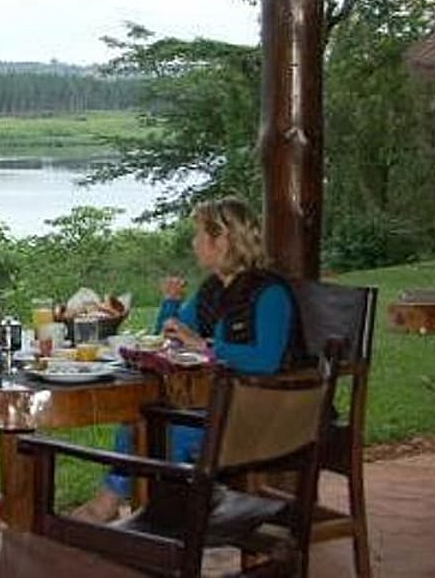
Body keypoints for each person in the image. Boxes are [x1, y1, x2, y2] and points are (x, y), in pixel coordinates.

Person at [72, 196, 305, 523]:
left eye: (199, 235)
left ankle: (159, 517)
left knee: (166, 431)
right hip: (225, 403)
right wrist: (170, 303)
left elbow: (266, 360)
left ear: (223, 239)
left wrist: (207, 346)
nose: (194, 243)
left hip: (269, 411)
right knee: (136, 423)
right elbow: (168, 337)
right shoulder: (213, 289)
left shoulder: (269, 292)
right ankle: (129, 508)